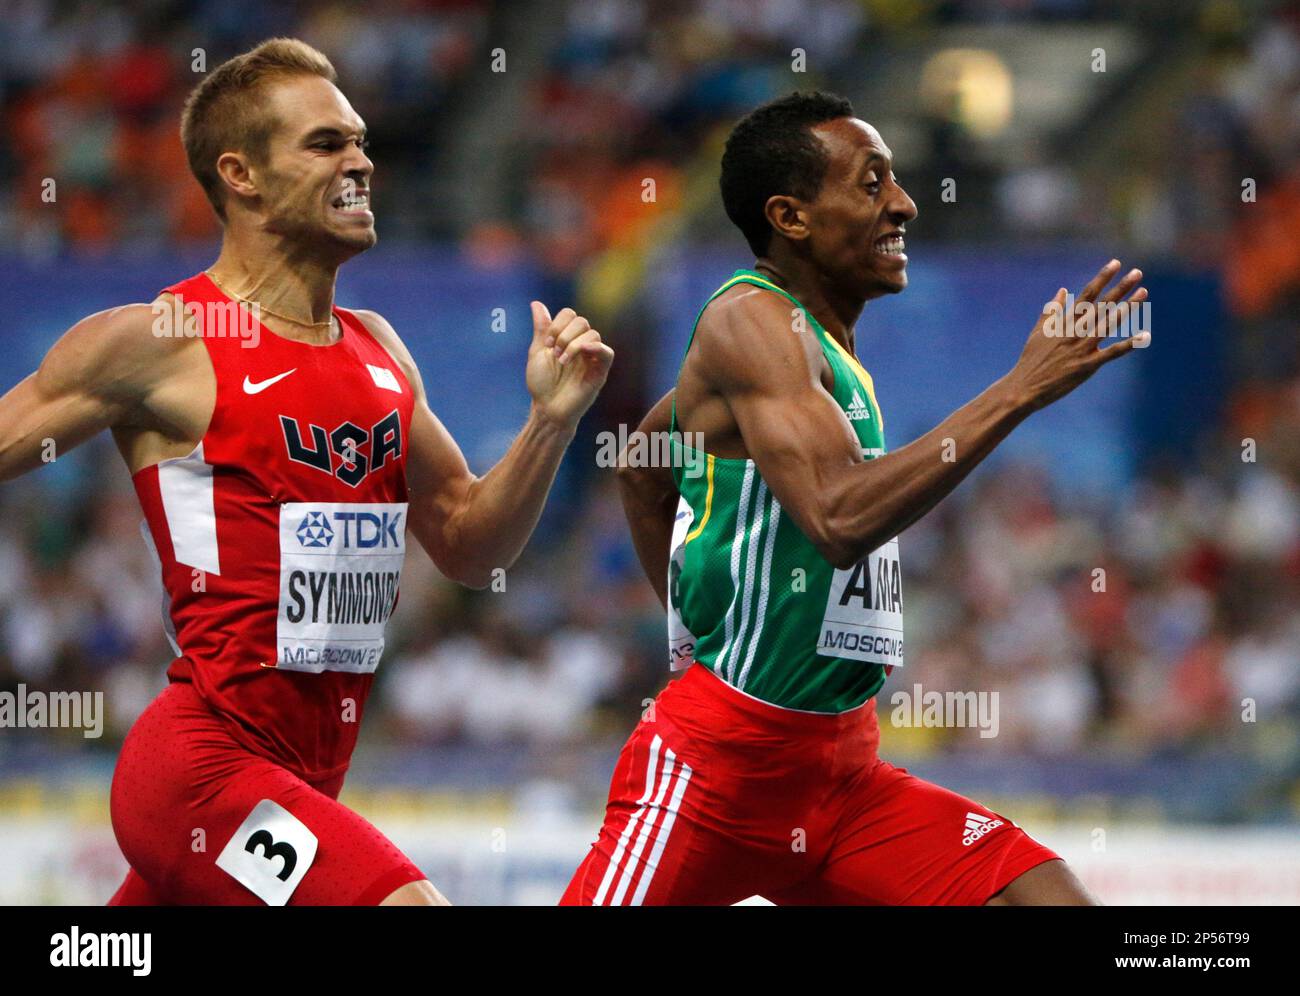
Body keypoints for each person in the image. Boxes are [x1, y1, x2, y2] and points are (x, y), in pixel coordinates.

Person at [0, 38, 612, 906]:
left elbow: (474, 548)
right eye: (326, 143)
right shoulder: (162, 341)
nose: (361, 160)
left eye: (360, 139)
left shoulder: (381, 352)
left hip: (307, 781)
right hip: (202, 773)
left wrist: (552, 423)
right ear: (240, 175)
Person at [563, 91, 1147, 905]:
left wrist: (702, 624)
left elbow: (641, 466)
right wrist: (1020, 391)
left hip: (839, 776)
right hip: (715, 774)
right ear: (790, 217)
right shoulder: (748, 323)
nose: (904, 203)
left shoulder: (820, 347)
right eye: (872, 184)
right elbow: (839, 520)